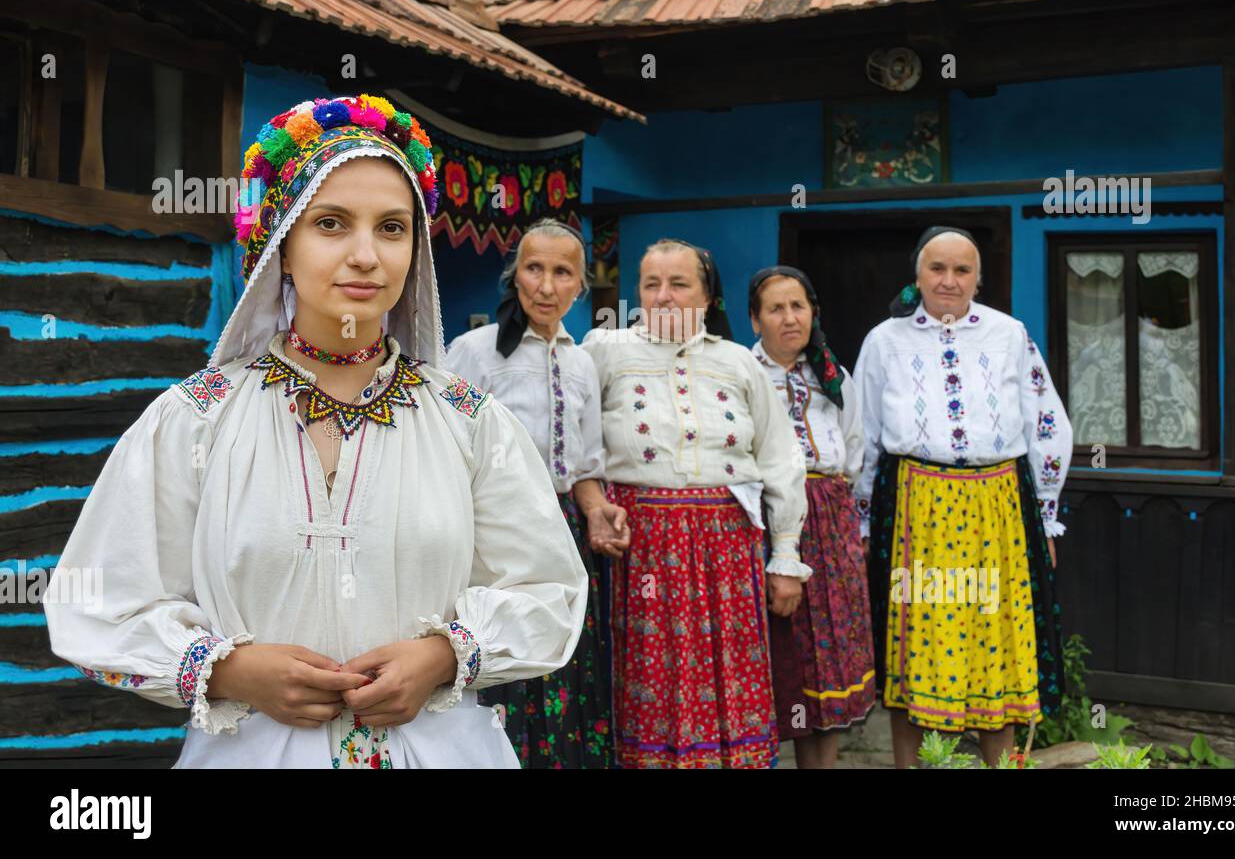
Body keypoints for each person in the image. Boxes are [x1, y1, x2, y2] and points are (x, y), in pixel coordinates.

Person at [44, 94, 587, 769]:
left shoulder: (469, 419)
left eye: (392, 228)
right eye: (331, 223)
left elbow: (550, 589)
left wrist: (444, 655)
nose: (366, 254)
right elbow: (98, 596)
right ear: (282, 245)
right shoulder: (197, 418)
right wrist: (227, 670)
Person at [581, 239, 809, 769]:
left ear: (707, 298)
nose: (663, 297)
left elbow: (780, 460)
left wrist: (786, 557)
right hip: (641, 548)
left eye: (679, 284)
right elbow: (574, 442)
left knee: (732, 670)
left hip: (729, 550)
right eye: (651, 285)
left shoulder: (738, 364)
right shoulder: (606, 352)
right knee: (650, 674)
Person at [853, 225, 1072, 768]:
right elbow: (864, 435)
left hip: (997, 507)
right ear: (918, 275)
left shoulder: (1008, 334)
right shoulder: (885, 341)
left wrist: (1044, 517)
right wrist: (861, 527)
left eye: (962, 270)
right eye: (937, 269)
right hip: (913, 510)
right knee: (911, 644)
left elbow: (1046, 422)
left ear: (978, 277)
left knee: (994, 640)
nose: (949, 281)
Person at [444, 218, 621, 768]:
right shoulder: (474, 353)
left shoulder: (582, 361)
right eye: (534, 268)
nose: (546, 286)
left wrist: (597, 513)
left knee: (566, 660)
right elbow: (446, 451)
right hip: (496, 531)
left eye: (562, 272)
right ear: (514, 276)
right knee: (504, 655)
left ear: (580, 286)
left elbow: (585, 466)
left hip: (563, 530)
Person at [748, 266, 875, 769]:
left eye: (798, 306)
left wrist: (853, 529)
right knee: (786, 655)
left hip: (833, 521)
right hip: (769, 520)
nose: (789, 318)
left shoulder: (833, 376)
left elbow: (857, 450)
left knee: (830, 662)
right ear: (755, 319)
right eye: (775, 308)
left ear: (812, 313)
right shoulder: (741, 373)